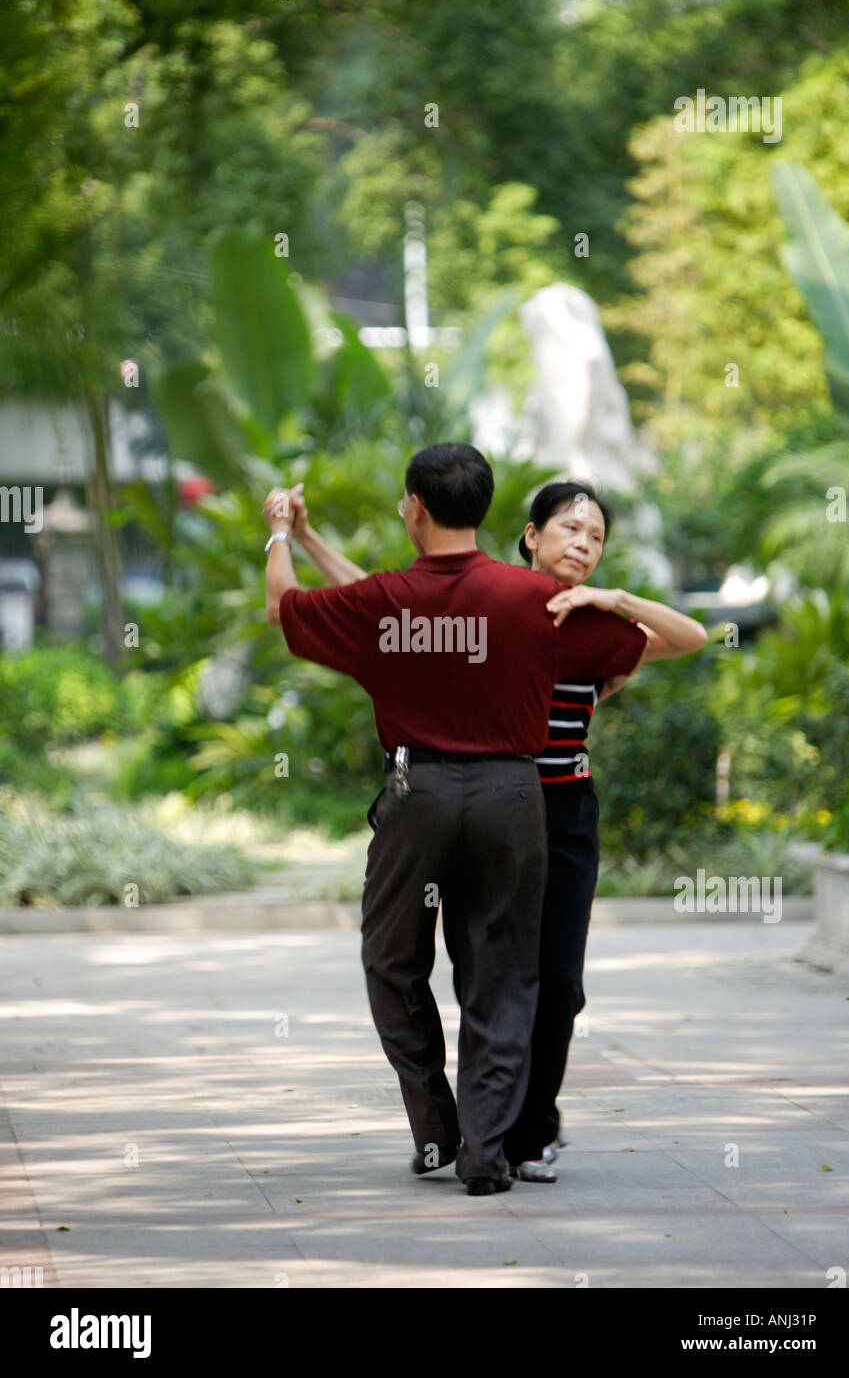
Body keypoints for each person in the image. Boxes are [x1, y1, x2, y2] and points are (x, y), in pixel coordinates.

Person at [282, 477, 708, 1184]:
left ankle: (524, 1130)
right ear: (531, 536)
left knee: (558, 985)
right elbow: (385, 609)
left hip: (563, 810)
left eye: (597, 536)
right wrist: (308, 540)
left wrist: (614, 600)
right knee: (488, 972)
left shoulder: (593, 626)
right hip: (493, 802)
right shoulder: (503, 602)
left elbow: (689, 637)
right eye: (571, 528)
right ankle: (489, 1134)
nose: (585, 543)